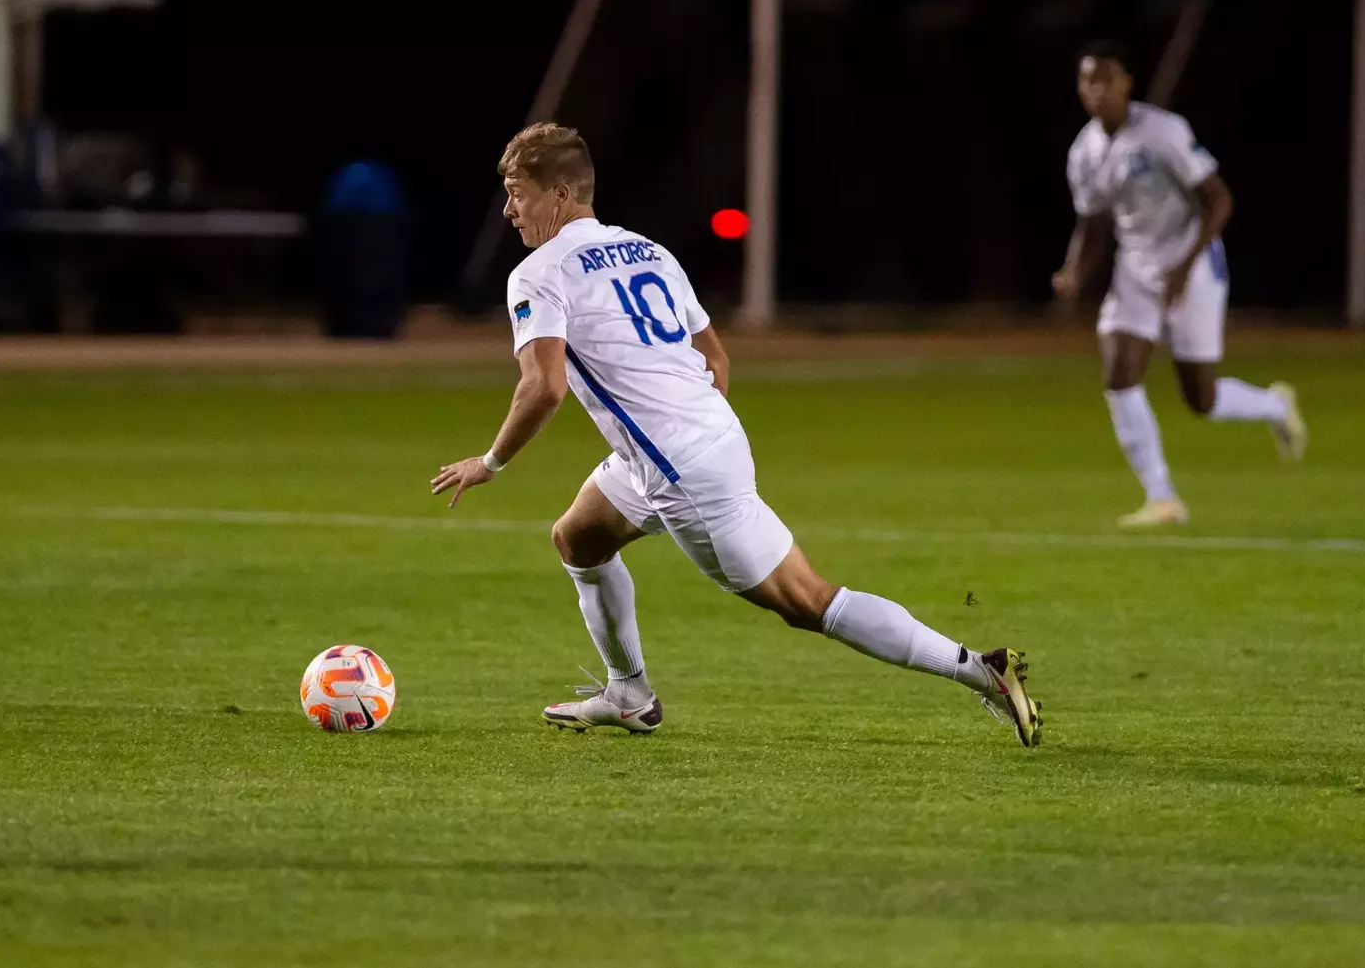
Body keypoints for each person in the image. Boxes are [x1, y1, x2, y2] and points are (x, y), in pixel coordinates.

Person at [430, 122, 1042, 746]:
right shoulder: (648, 251)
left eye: (516, 191)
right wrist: (685, 427)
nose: (509, 209)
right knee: (579, 538)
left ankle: (982, 671)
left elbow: (544, 387)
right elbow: (717, 359)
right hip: (696, 440)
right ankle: (629, 694)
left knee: (809, 603)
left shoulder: (538, 273)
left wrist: (492, 461)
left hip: (679, 467)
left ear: (560, 194)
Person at [1052, 40, 1307, 529]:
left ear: (1126, 83)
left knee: (1201, 398)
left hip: (1193, 265)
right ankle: (1163, 497)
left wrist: (1185, 267)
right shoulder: (1083, 152)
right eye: (1087, 80)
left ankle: (1275, 406)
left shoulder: (1163, 131)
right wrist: (1073, 272)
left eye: (1105, 79)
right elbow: (1092, 224)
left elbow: (1219, 199)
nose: (1096, 90)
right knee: (1120, 371)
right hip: (1138, 268)